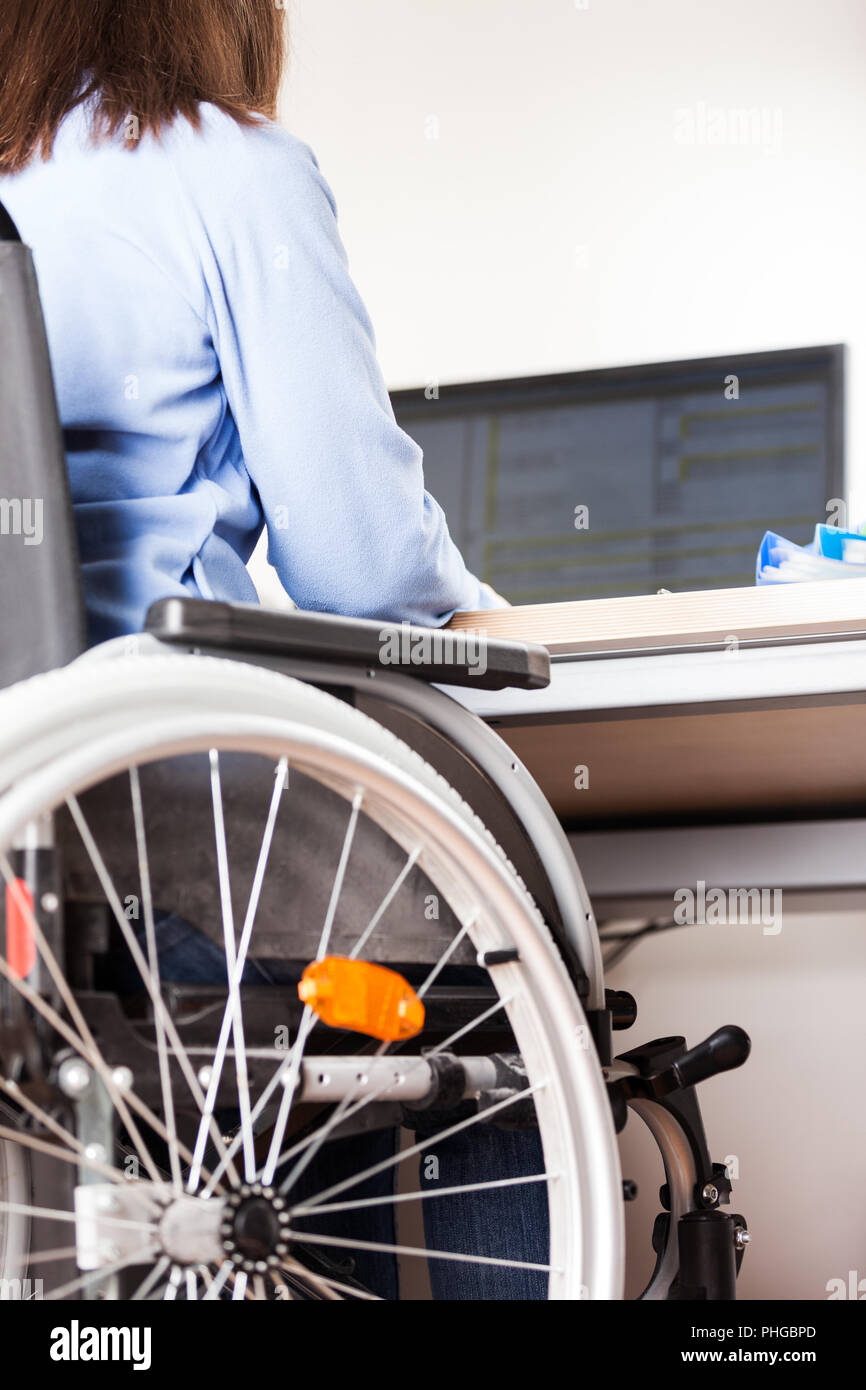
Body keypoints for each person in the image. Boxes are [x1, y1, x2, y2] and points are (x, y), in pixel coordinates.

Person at [0, 0, 546, 1298]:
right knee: (493, 1005)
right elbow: (356, 560)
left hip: (29, 844)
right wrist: (466, 599)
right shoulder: (224, 166)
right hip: (171, 817)